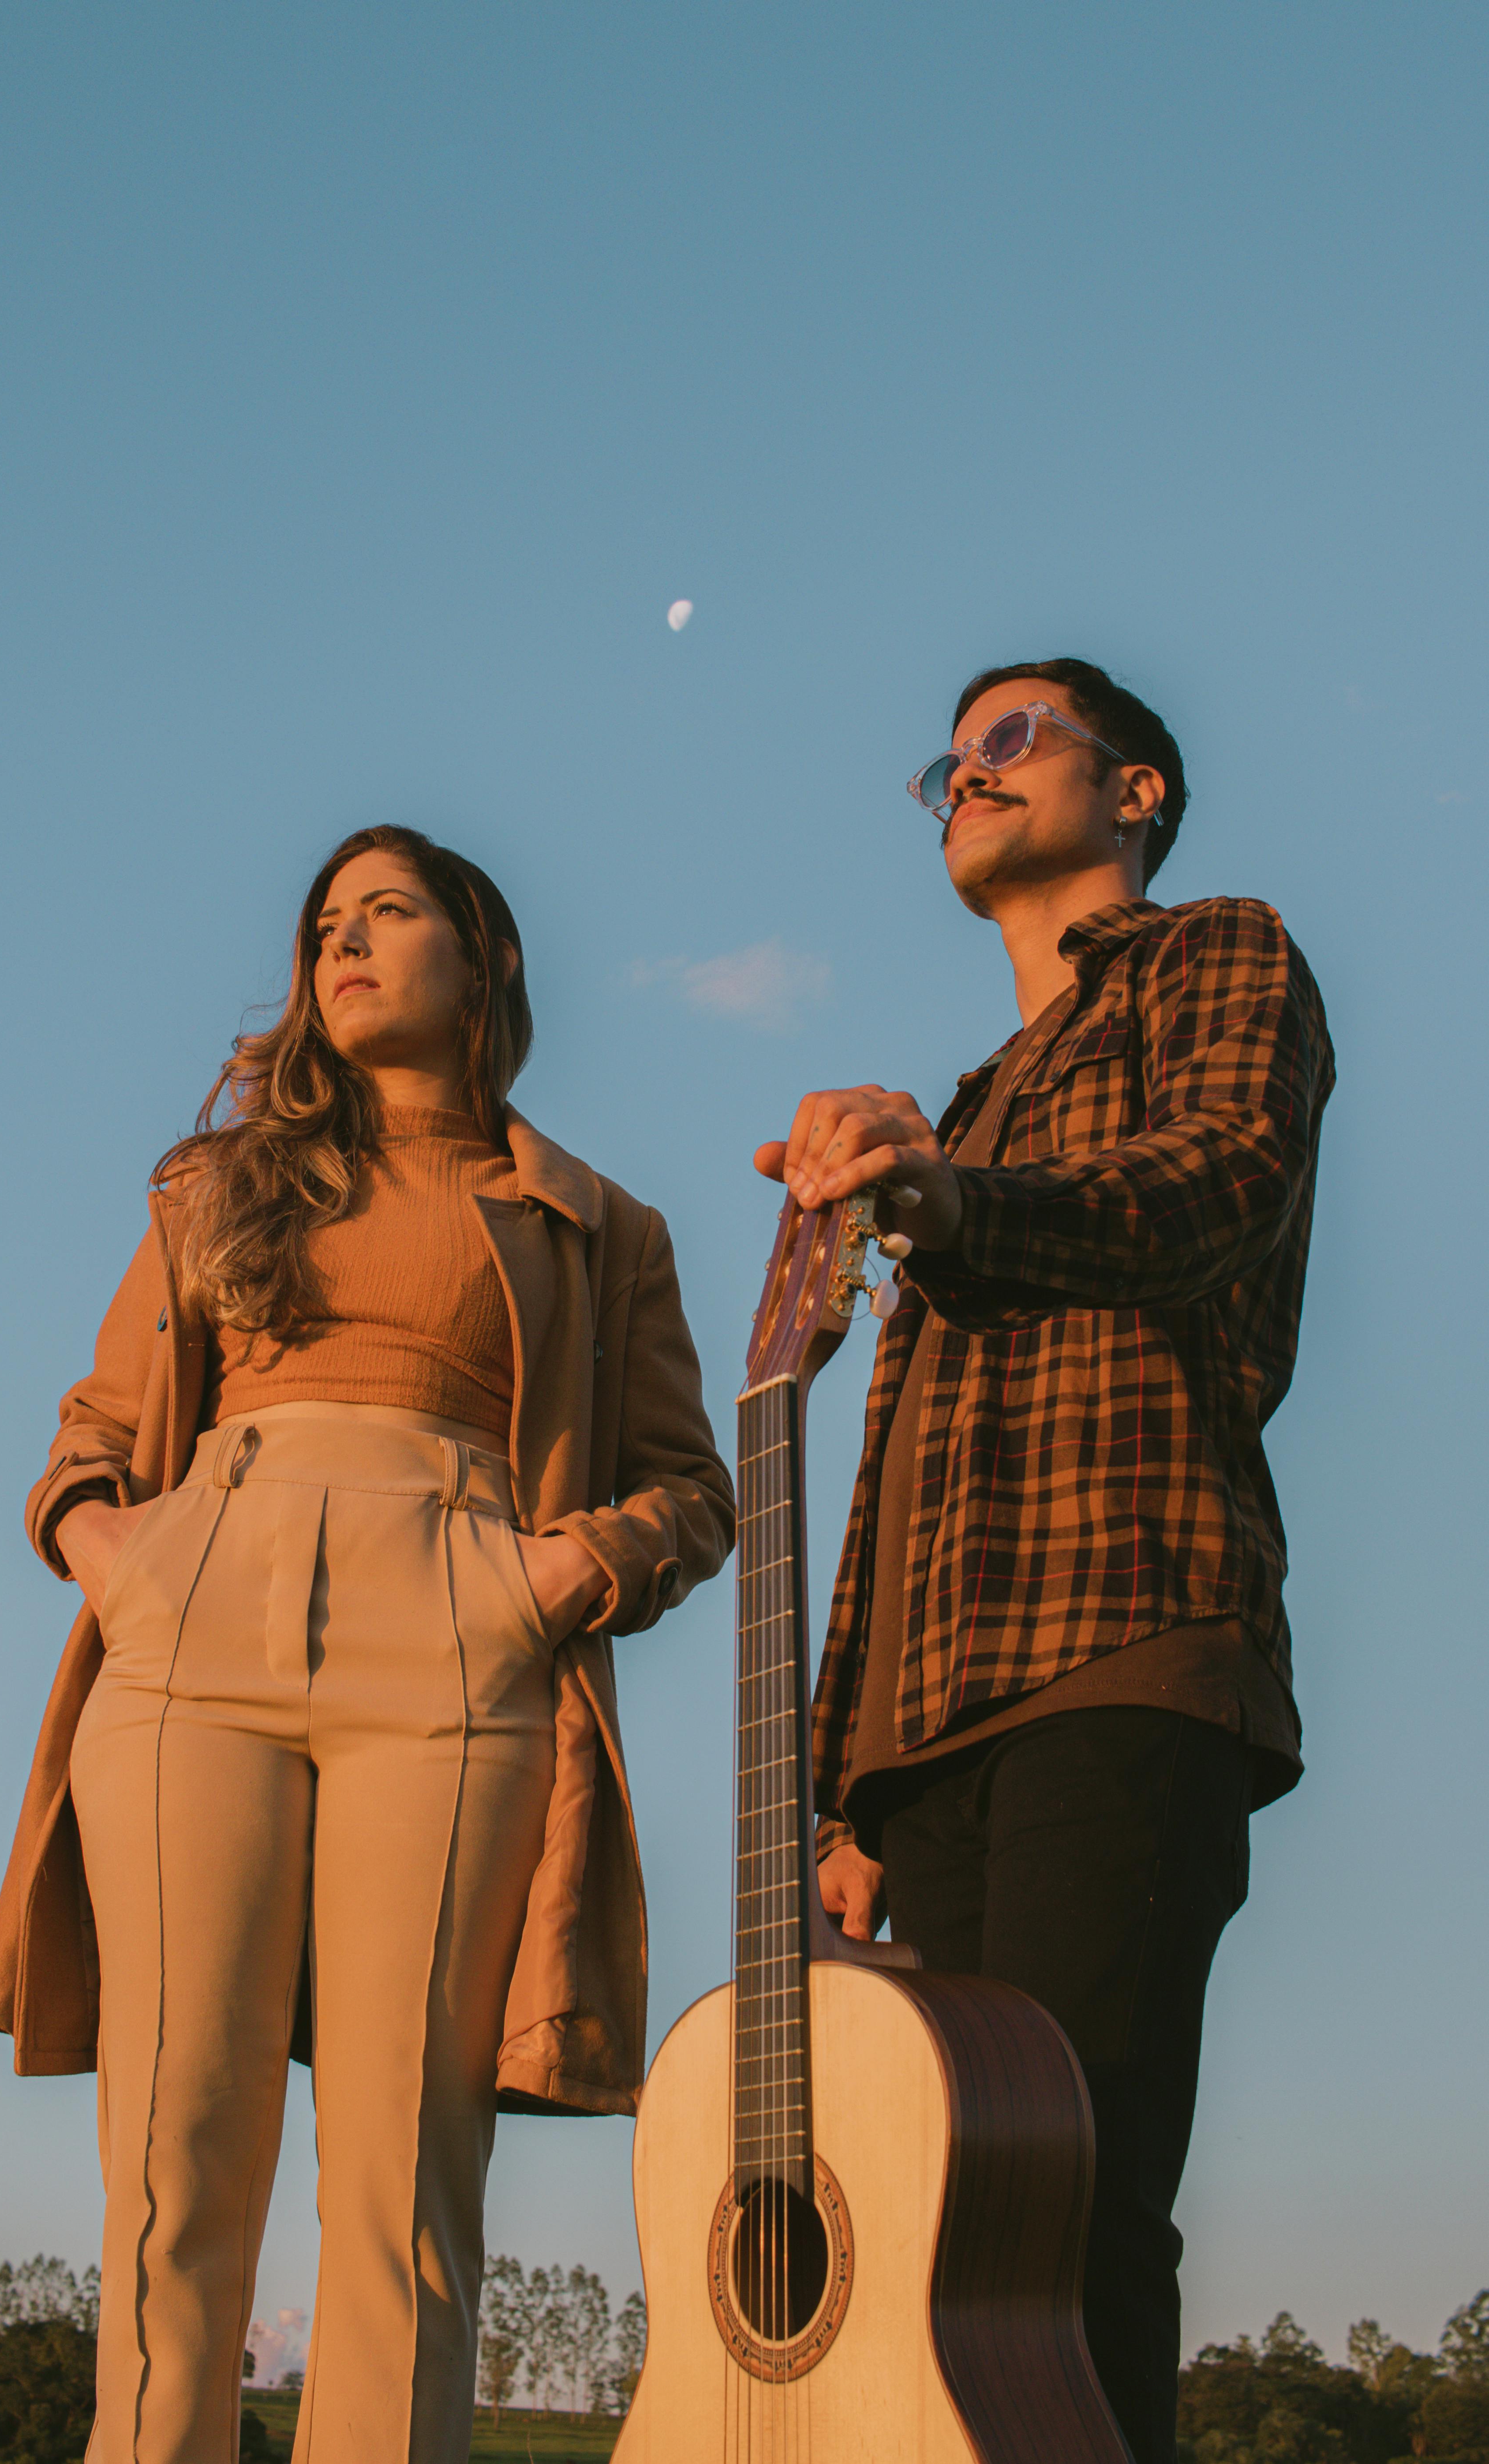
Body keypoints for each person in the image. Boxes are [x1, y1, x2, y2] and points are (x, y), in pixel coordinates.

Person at [0, 825, 734, 2464]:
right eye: (327, 920)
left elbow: (690, 1488)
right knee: (177, 2153)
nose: (346, 940)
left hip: (460, 1644)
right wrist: (123, 1560)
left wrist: (548, 1578)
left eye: (391, 912)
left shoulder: (599, 1222)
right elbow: (90, 1434)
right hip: (193, 1629)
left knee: (405, 2170)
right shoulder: (215, 1187)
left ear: (485, 961)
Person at [755, 659, 1334, 2464]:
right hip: (930, 1739)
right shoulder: (971, 1099)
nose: (965, 775)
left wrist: (948, 1201)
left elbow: (1210, 1181)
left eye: (1011, 740)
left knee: (1070, 2204)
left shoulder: (1219, 955)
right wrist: (843, 1781)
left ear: (1136, 788)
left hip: (1124, 1644)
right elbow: (899, 1467)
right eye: (949, 758)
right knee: (936, 2239)